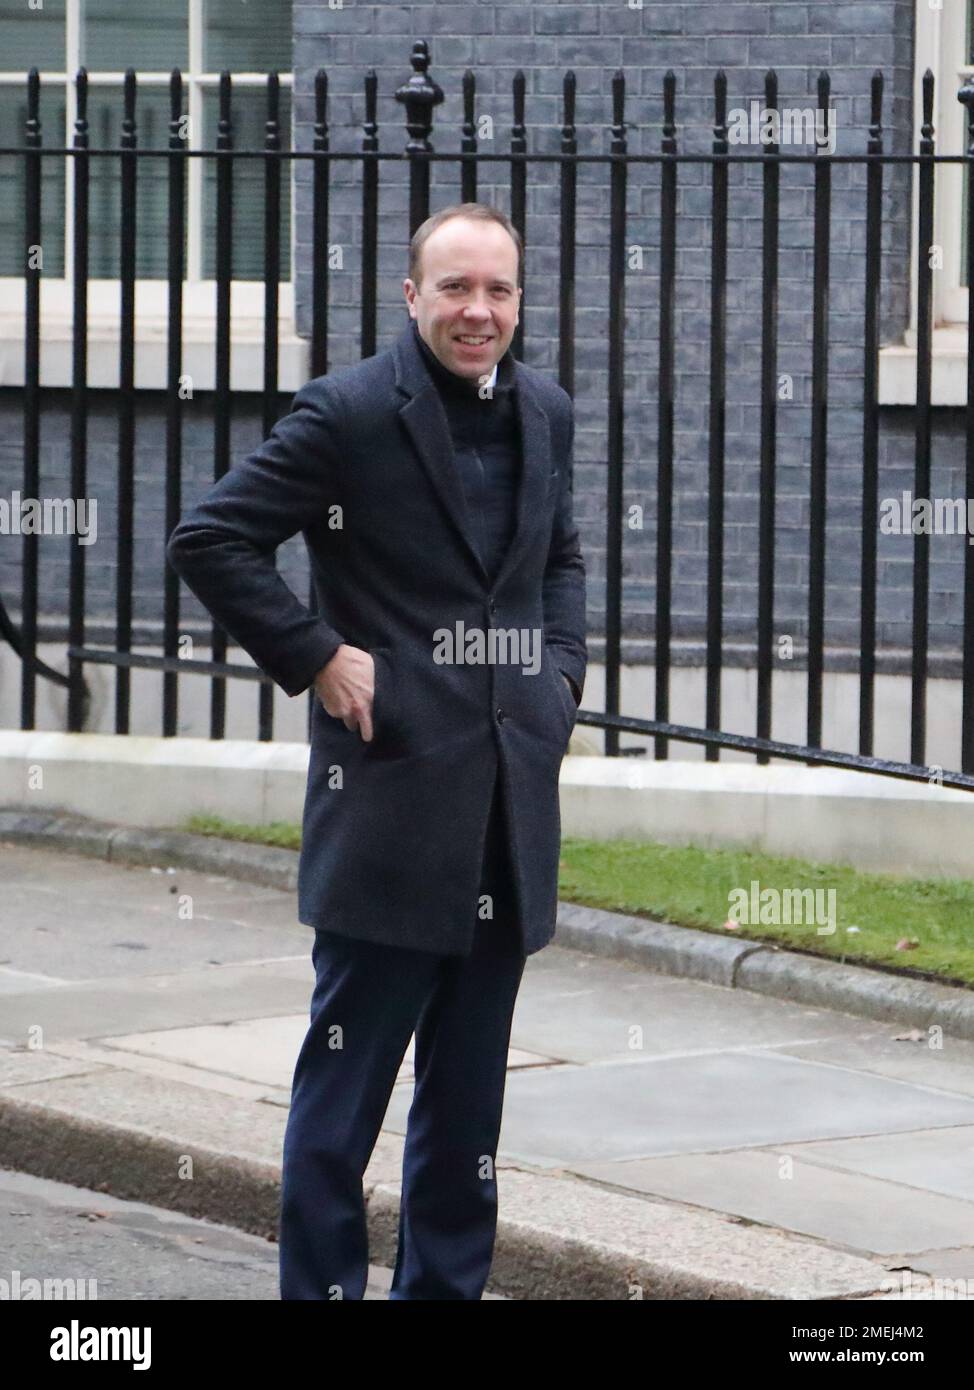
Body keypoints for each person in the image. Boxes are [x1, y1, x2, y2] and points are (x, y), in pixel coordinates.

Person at [165, 202, 587, 1299]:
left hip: (504, 820)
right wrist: (316, 655)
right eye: (454, 288)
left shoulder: (543, 408)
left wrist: (558, 685)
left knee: (465, 1120)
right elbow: (211, 536)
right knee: (338, 1116)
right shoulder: (350, 413)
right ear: (411, 296)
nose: (477, 311)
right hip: (390, 814)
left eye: (496, 290)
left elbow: (561, 562)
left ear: (518, 300)